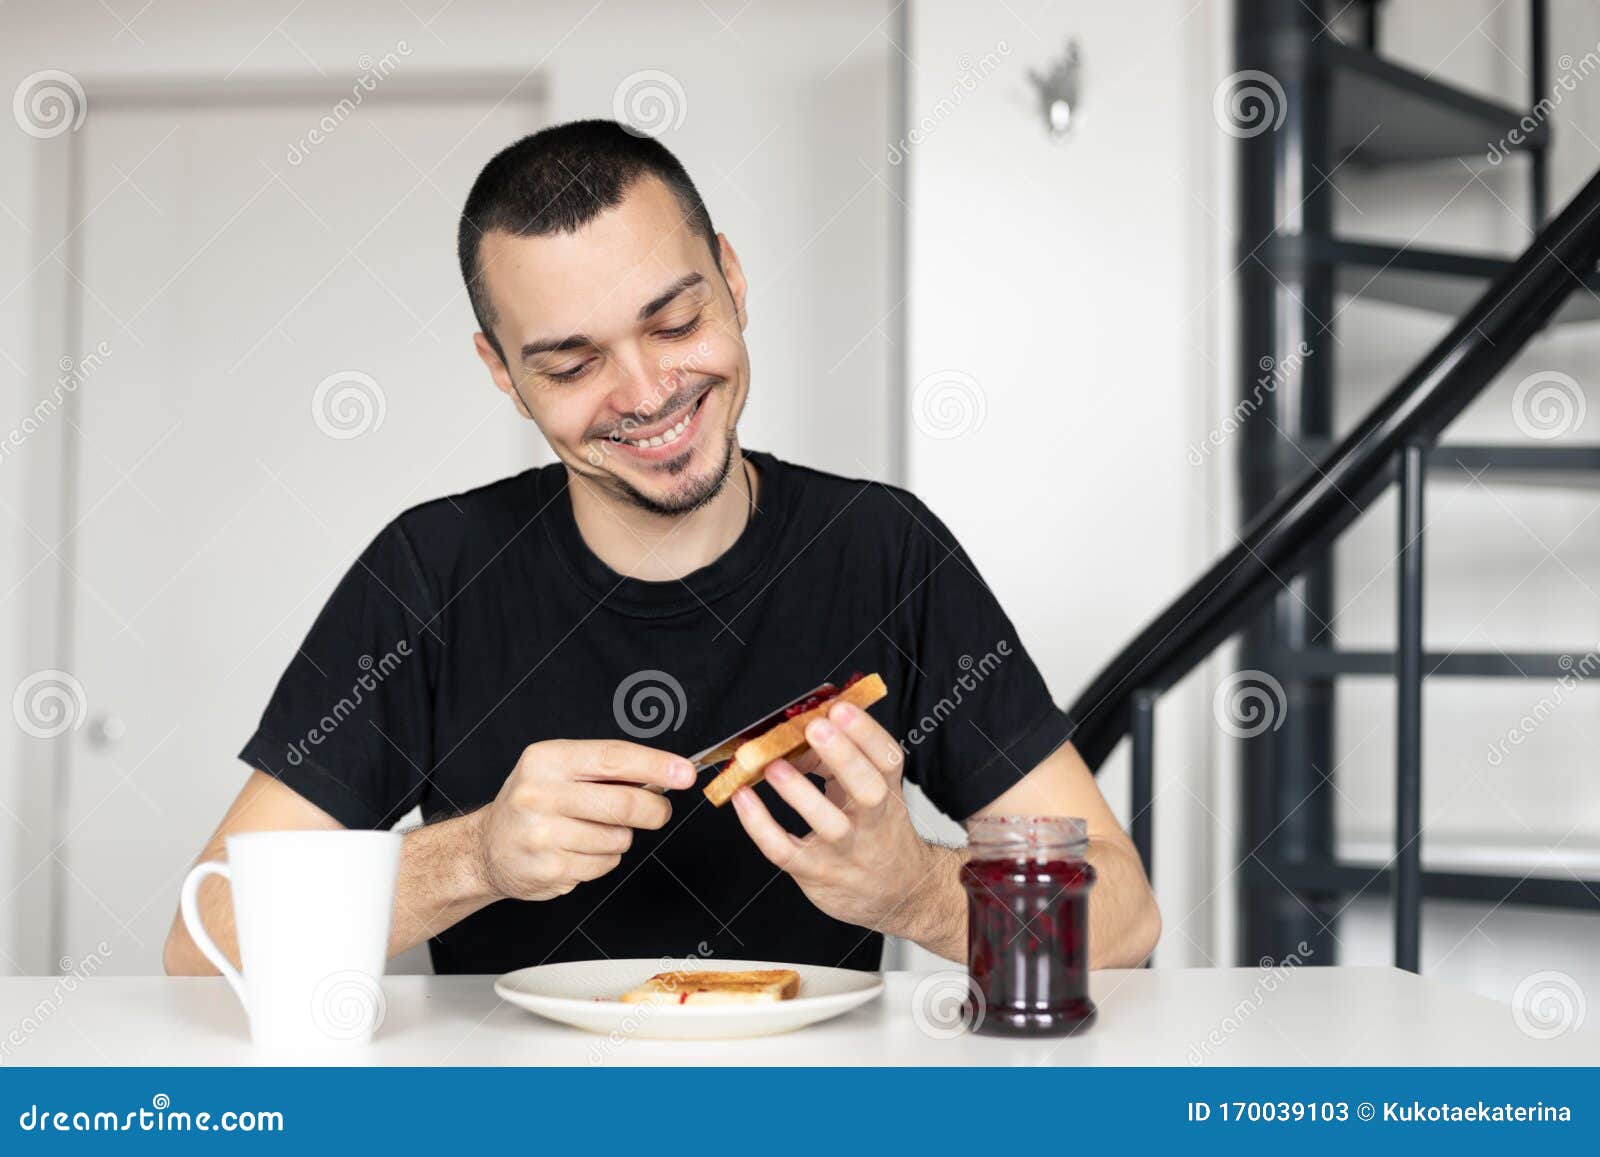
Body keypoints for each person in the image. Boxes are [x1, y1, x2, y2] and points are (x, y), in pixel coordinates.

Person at [164, 119, 1159, 977]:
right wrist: (475, 858)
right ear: (502, 372)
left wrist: (916, 892)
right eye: (571, 364)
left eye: (676, 321)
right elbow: (205, 942)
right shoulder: (430, 570)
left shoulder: (884, 551)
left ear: (733, 278)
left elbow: (1122, 920)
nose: (645, 395)